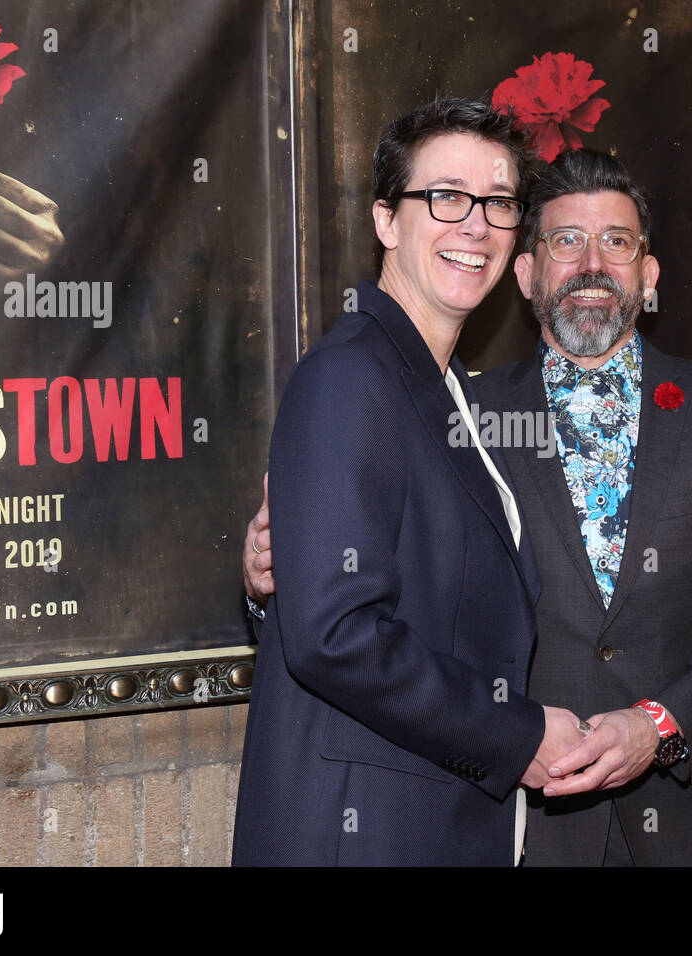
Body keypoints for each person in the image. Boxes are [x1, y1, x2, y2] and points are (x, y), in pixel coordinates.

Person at [245, 148, 692, 865]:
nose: (591, 263)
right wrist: (275, 577)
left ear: (650, 272)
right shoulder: (459, 421)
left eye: (618, 241)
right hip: (523, 832)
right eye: (565, 241)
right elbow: (368, 612)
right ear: (525, 273)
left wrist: (662, 724)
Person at [231, 98, 586, 866]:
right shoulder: (350, 376)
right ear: (387, 221)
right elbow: (335, 636)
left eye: (498, 203)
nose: (477, 226)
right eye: (447, 197)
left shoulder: (444, 385)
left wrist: (278, 582)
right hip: (366, 833)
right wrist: (516, 734)